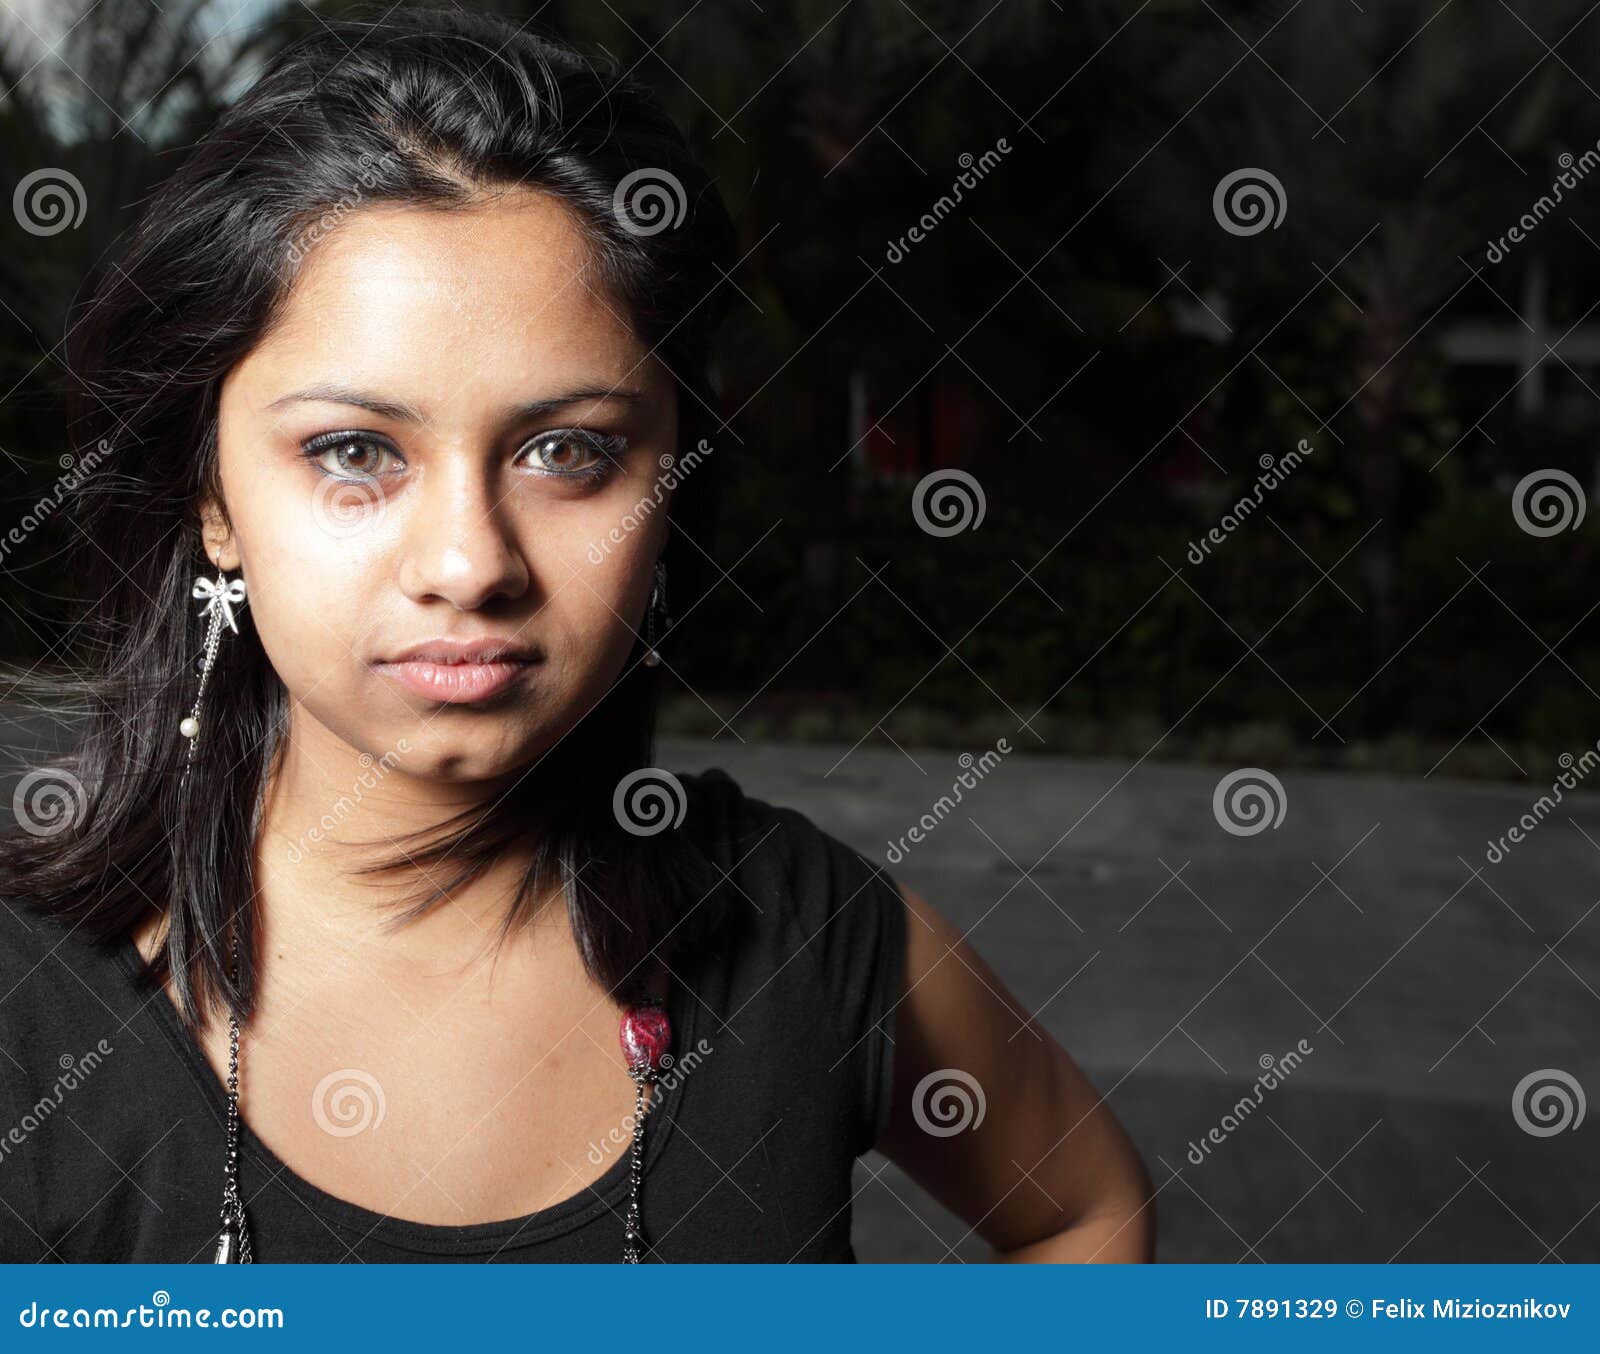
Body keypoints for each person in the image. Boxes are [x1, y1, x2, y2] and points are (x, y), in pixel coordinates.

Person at [0, 1, 1152, 1264]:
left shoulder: (808, 939)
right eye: (353, 452)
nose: (470, 562)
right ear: (212, 498)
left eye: (567, 452)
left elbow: (1082, 1212)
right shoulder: (28, 1013)